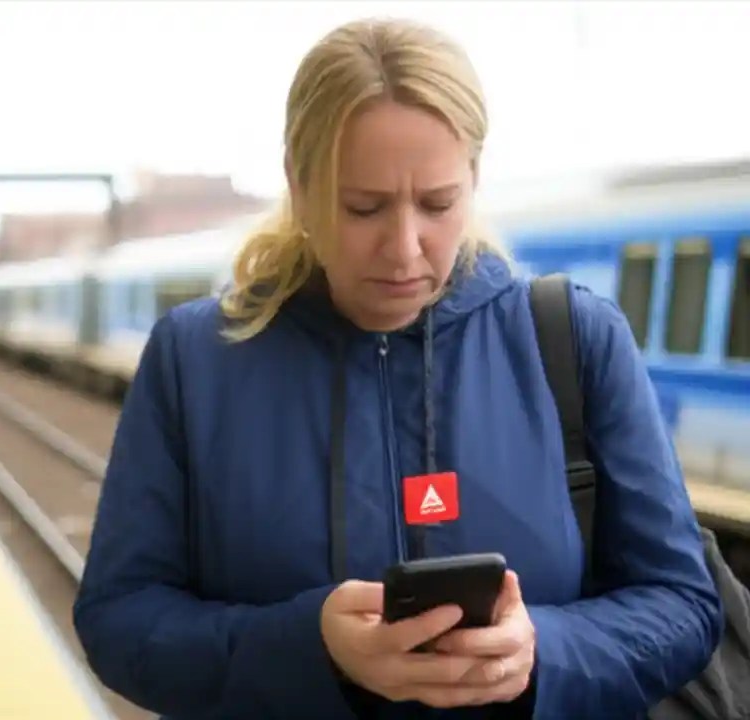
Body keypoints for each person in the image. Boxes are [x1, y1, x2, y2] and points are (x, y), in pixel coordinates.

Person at [72, 17, 721, 719]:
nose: (405, 249)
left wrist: (545, 653)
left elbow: (683, 605)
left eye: (439, 204)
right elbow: (120, 620)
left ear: (473, 177)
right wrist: (306, 645)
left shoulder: (573, 340)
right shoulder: (194, 361)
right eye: (364, 208)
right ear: (298, 182)